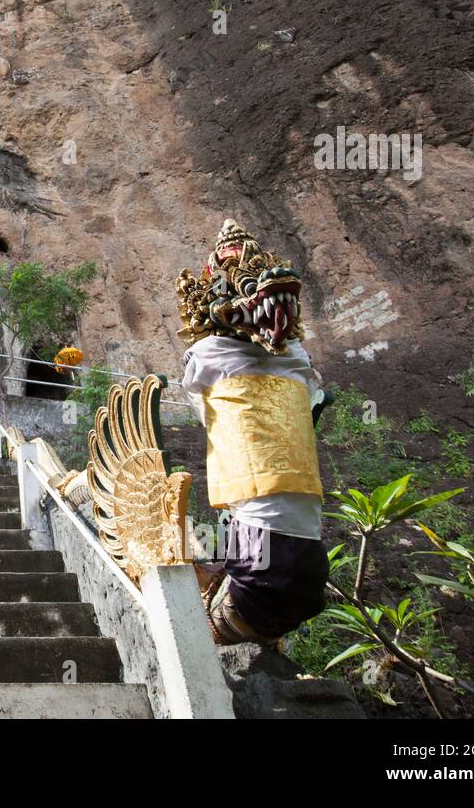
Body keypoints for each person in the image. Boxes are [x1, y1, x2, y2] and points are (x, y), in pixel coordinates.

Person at [175, 219, 329, 645]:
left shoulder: (206, 354)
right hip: (311, 565)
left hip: (260, 572)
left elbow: (201, 395)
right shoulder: (299, 360)